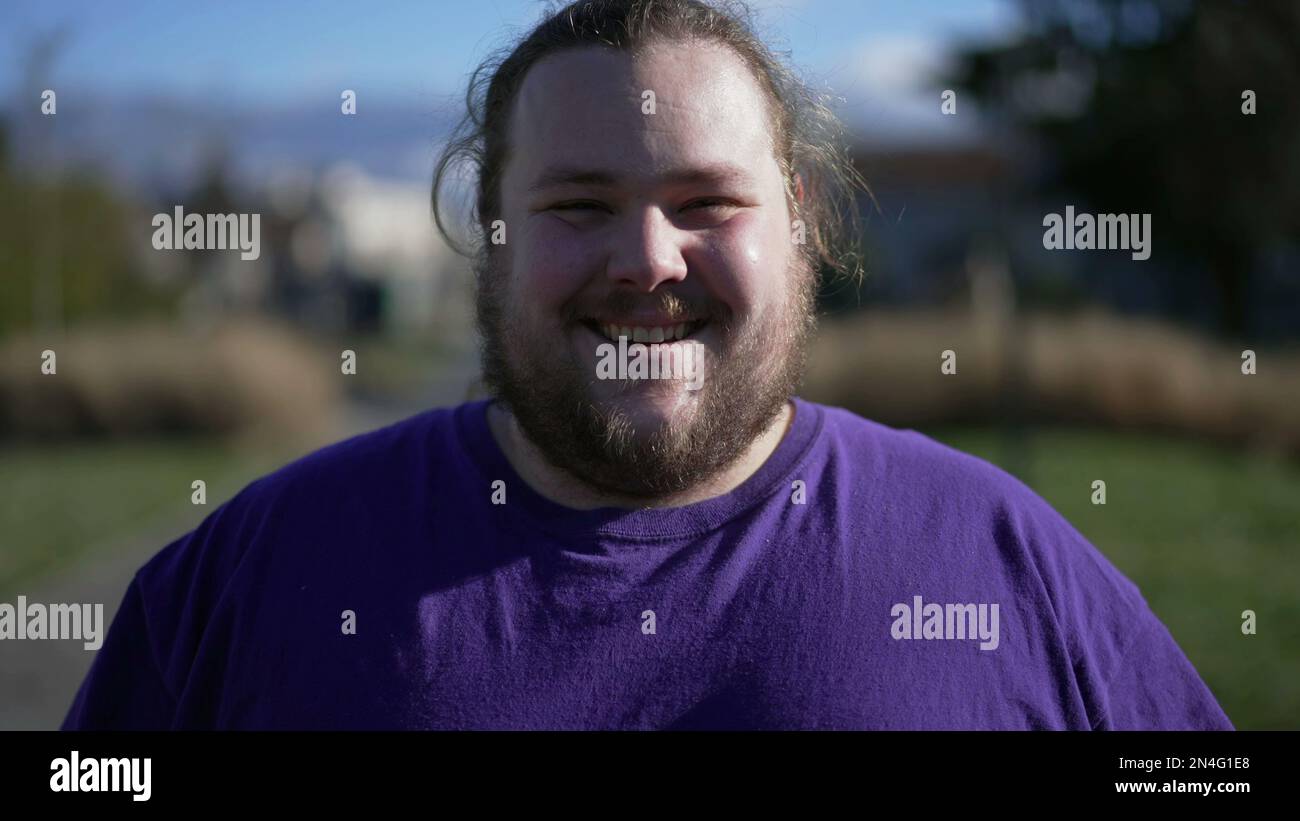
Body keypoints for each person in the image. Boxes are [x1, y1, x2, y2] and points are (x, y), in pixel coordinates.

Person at [63, 0, 1232, 730]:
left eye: (705, 202)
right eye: (580, 203)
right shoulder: (251, 574)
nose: (645, 259)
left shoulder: (1009, 565)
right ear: (493, 226)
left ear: (801, 221)